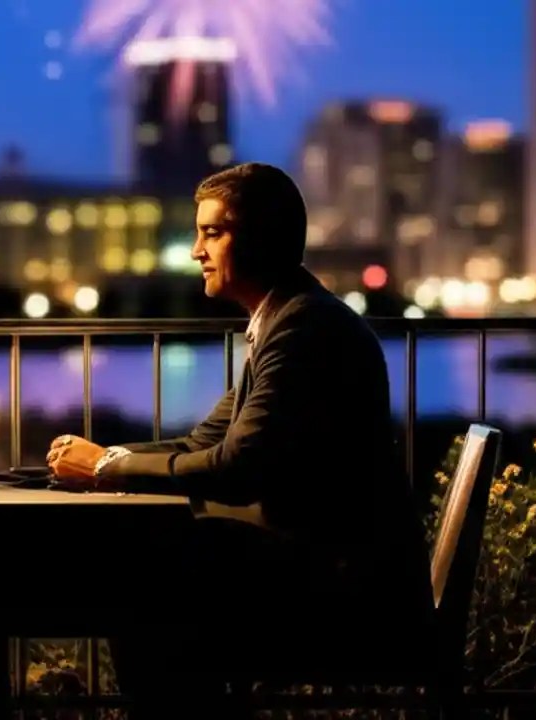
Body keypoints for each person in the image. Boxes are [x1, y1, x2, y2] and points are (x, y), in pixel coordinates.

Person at [45, 164, 434, 714]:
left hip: (352, 596)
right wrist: (104, 456)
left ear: (263, 237)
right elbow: (206, 439)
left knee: (151, 580)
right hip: (334, 574)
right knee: (155, 576)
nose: (195, 251)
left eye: (213, 232)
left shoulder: (302, 330)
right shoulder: (285, 320)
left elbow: (236, 468)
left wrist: (106, 469)